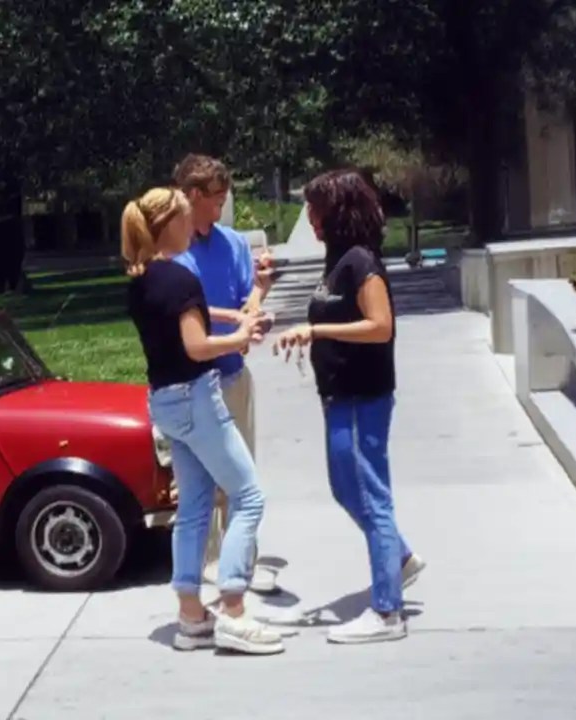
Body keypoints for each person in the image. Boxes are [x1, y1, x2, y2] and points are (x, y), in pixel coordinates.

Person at [123, 187, 286, 655]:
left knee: (193, 506)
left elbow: (176, 332)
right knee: (248, 495)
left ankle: (191, 615)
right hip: (196, 399)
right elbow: (196, 346)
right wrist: (239, 336)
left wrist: (233, 318)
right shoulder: (180, 280)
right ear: (169, 224)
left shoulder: (141, 280)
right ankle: (233, 607)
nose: (192, 218)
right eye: (185, 213)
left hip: (165, 403)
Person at [274, 169, 426, 645]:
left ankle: (386, 613)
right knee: (346, 488)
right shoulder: (337, 260)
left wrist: (315, 332)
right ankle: (398, 560)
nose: (311, 221)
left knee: (371, 493)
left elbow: (380, 326)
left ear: (336, 214)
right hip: (339, 394)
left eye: (315, 212)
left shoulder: (362, 263)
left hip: (364, 395)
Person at [170, 154, 277, 590]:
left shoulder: (232, 244)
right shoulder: (172, 249)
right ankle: (210, 566)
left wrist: (258, 297)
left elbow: (243, 303)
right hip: (193, 383)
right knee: (202, 486)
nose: (221, 207)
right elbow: (181, 307)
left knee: (242, 478)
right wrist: (237, 320)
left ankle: (241, 563)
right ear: (193, 196)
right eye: (215, 199)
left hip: (234, 375)